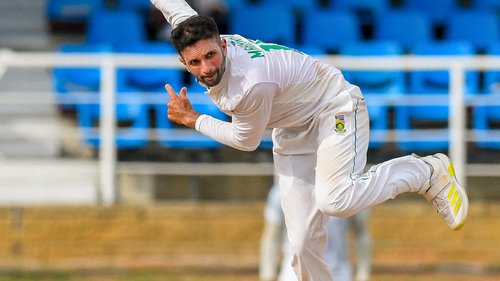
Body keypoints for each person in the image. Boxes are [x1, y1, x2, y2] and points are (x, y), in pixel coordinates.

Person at [150, 0, 469, 280]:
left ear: (222, 44)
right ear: (182, 61)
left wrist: (193, 120)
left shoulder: (249, 85)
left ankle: (427, 172)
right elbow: (173, 6)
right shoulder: (193, 31)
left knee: (335, 200)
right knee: (301, 242)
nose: (206, 68)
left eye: (210, 55)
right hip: (293, 127)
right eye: (195, 62)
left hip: (335, 107)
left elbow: (245, 141)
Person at [260, 182, 371, 281]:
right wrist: (268, 273)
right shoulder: (283, 188)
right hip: (294, 275)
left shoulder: (348, 188)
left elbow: (361, 233)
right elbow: (272, 237)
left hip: (338, 275)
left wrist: (363, 274)